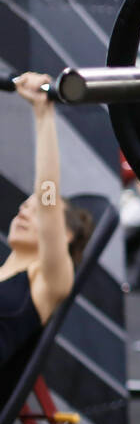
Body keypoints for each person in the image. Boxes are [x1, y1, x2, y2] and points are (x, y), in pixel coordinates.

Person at [0, 73, 96, 371]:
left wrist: (43, 113)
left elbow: (47, 195)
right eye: (23, 207)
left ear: (66, 235)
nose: (25, 212)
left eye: (36, 209)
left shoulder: (49, 280)